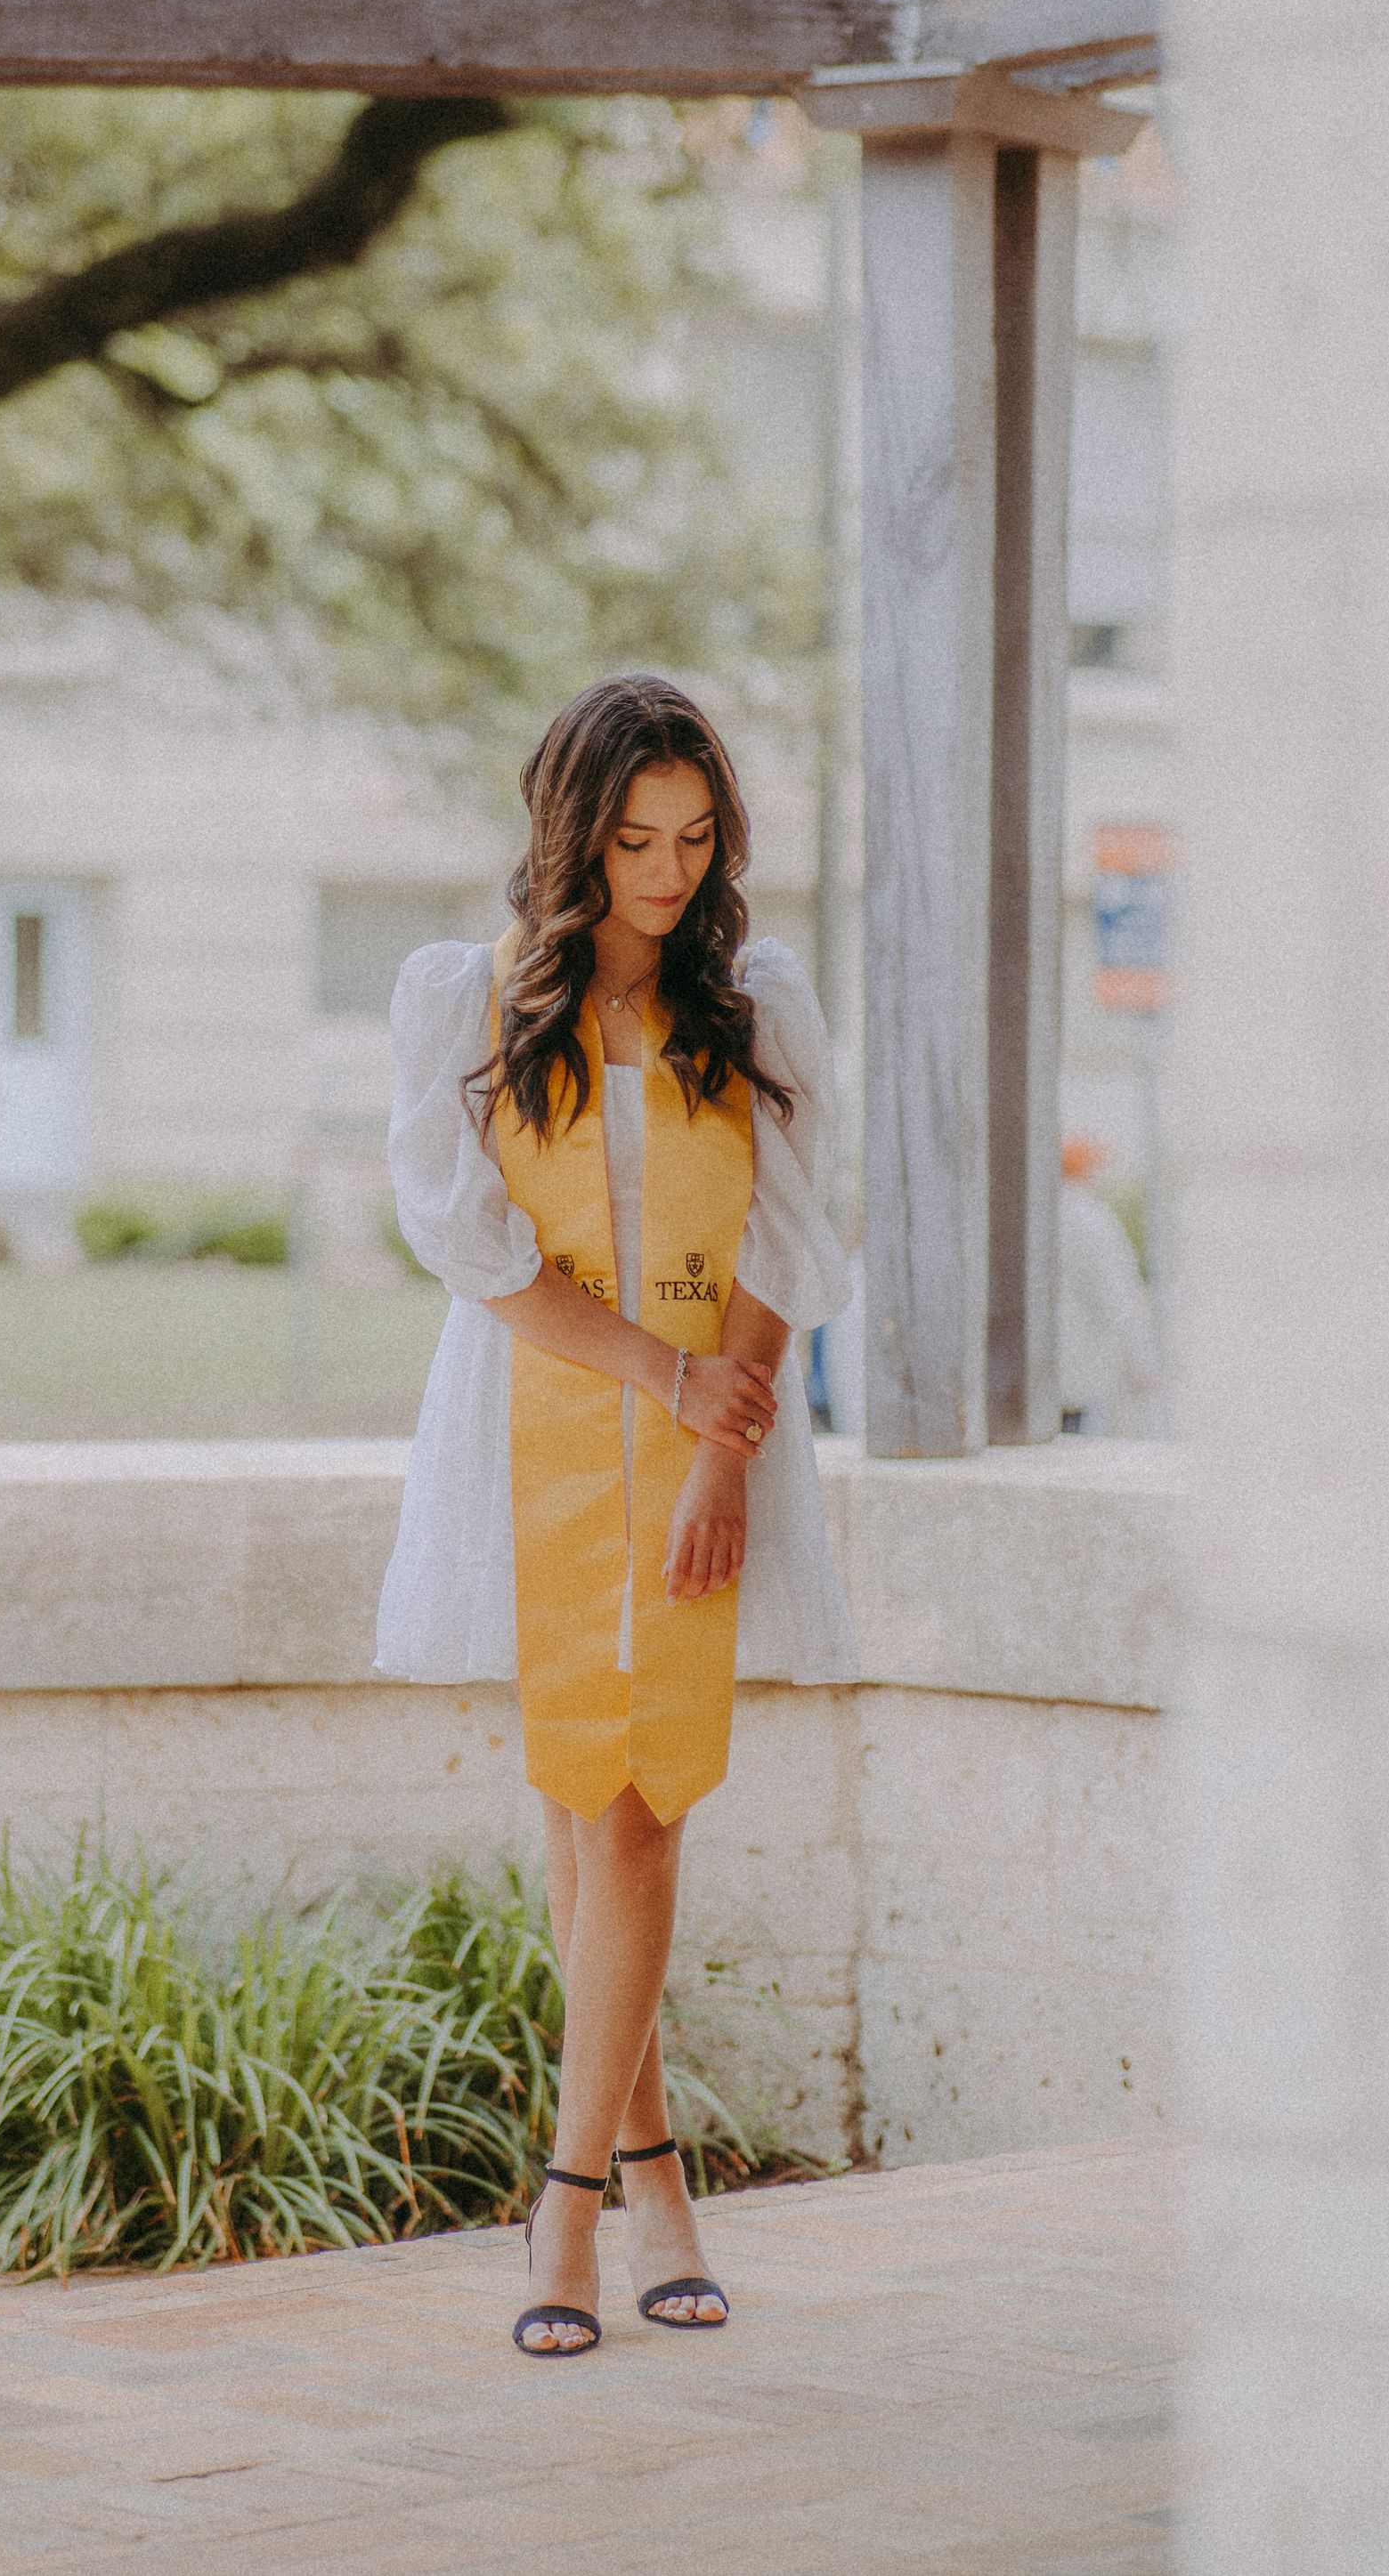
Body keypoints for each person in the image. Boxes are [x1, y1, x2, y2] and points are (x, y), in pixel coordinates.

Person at [378, 674, 857, 2357]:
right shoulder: (479, 1001)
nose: (667, 872)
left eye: (697, 836)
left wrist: (722, 1438)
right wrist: (659, 1383)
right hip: (535, 1418)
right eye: (636, 838)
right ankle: (643, 2183)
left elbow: (789, 1241)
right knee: (587, 1803)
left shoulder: (752, 1003)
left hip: (709, 1434)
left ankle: (563, 2212)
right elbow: (480, 1255)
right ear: (572, 837)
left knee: (646, 1800)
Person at [1057, 1131, 1161, 1436]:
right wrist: (1142, 1364)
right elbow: (1118, 1300)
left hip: (1034, 1381)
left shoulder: (1037, 1214)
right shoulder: (1094, 1220)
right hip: (1080, 1378)